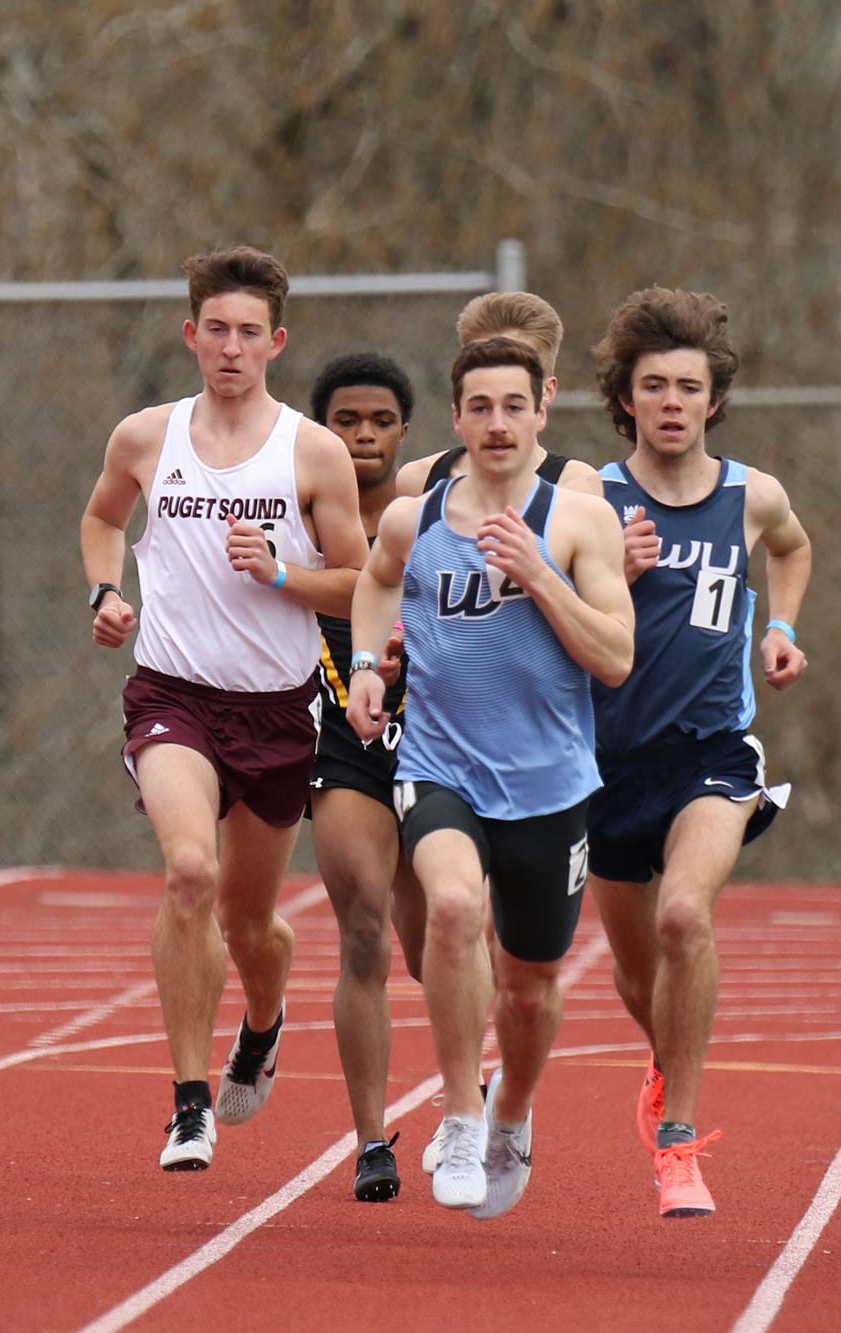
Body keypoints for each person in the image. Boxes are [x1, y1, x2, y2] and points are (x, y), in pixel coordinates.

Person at [79, 246, 368, 1172]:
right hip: (172, 696)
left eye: (250, 332)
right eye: (217, 330)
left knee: (250, 924)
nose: (232, 347)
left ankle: (264, 1019)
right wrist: (103, 593)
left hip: (279, 710)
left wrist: (280, 571)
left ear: (276, 342)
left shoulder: (313, 452)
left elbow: (361, 586)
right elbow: (102, 521)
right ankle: (189, 1099)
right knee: (189, 874)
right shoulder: (144, 437)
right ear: (190, 334)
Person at [347, 337, 634, 1218]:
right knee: (455, 908)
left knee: (531, 986)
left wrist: (539, 574)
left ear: (542, 410)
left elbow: (616, 657)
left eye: (515, 405)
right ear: (458, 417)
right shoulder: (415, 517)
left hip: (550, 785)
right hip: (440, 766)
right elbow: (375, 579)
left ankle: (511, 1109)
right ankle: (463, 1111)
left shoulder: (580, 520)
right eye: (481, 406)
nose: (498, 423)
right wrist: (366, 663)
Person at [584, 287, 812, 1218]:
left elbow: (792, 549)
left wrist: (784, 624)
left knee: (685, 916)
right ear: (626, 399)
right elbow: (547, 612)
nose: (672, 402)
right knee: (638, 971)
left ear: (714, 399)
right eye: (654, 386)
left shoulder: (751, 495)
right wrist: (609, 573)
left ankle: (679, 1143)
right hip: (602, 764)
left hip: (711, 753)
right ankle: (661, 1054)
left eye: (689, 386)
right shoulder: (592, 498)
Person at [303, 351, 423, 1201]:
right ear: (322, 431)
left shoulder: (431, 519)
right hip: (342, 746)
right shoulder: (299, 520)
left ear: (406, 432)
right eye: (347, 420)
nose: (365, 435)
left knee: (439, 937)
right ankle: (372, 1137)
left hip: (438, 740)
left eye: (381, 420)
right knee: (362, 930)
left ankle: (465, 1091)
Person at [395, 291, 601, 499]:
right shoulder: (419, 481)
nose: (499, 376)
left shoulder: (575, 485)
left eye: (520, 365)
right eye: (484, 363)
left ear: (546, 391)